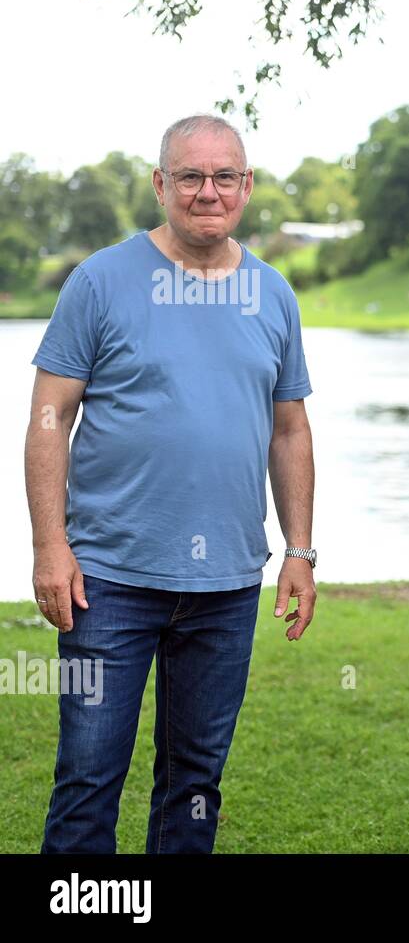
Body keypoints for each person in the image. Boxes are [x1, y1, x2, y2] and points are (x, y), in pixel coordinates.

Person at [26, 114, 317, 853]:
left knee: (194, 783)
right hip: (108, 581)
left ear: (246, 187)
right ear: (161, 185)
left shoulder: (273, 294)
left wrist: (300, 551)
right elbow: (49, 418)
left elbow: (290, 429)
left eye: (225, 176)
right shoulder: (99, 282)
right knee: (89, 777)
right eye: (190, 176)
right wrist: (49, 546)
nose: (207, 191)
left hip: (225, 585)